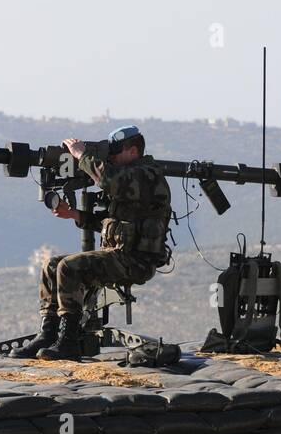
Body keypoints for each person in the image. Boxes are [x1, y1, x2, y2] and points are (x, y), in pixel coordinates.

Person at [13, 126, 172, 360]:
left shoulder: (147, 175)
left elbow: (109, 180)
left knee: (69, 267)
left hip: (136, 260)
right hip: (118, 254)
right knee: (52, 265)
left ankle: (68, 342)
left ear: (133, 151)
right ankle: (48, 334)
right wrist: (75, 215)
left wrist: (81, 155)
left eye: (116, 152)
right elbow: (111, 222)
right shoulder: (130, 179)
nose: (112, 157)